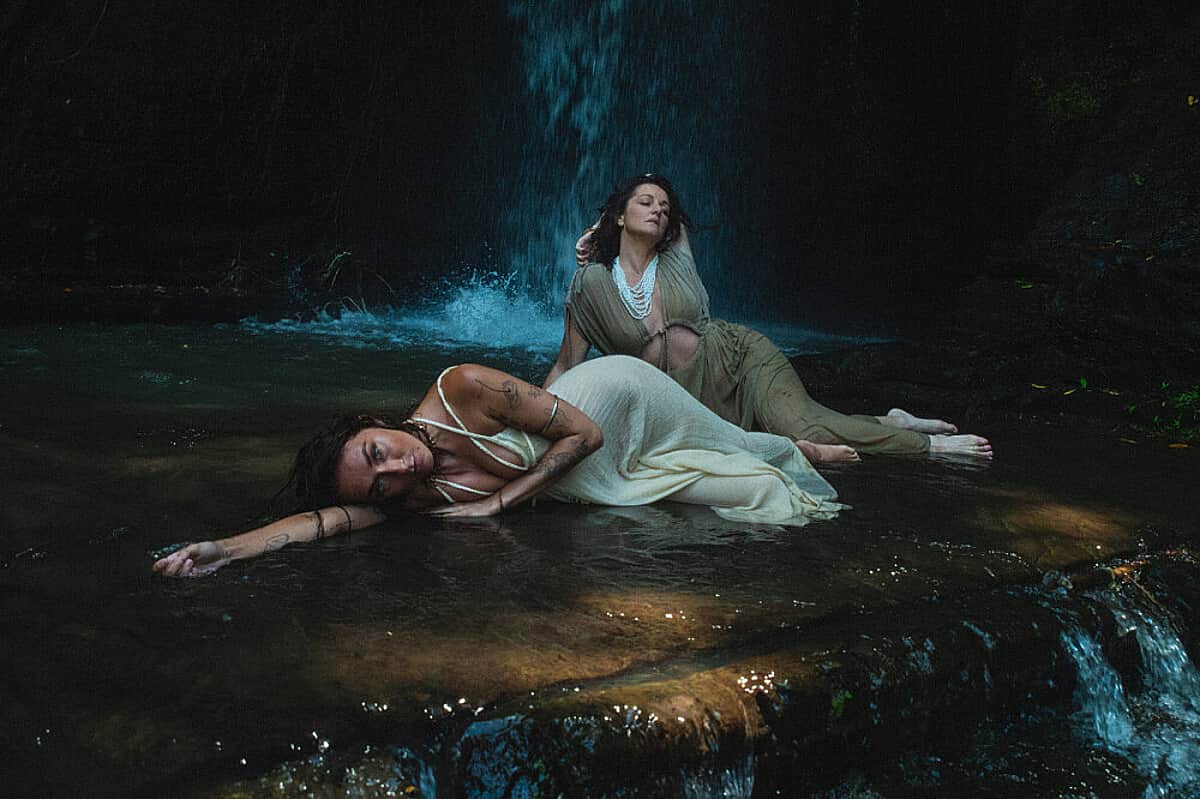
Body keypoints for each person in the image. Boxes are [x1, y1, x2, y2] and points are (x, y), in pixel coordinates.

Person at [153, 355, 844, 577]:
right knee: (756, 493)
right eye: (381, 482)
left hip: (620, 402)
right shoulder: (406, 492)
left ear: (369, 422)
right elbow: (320, 524)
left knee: (751, 451)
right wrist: (224, 551)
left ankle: (806, 443)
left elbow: (588, 431)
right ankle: (790, 449)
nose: (394, 466)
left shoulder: (461, 388)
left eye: (376, 450)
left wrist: (498, 505)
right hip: (596, 483)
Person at [544, 174, 993, 463]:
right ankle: (891, 421)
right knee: (800, 426)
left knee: (800, 427)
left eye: (663, 205)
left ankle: (928, 446)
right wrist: (535, 421)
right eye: (645, 202)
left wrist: (601, 227)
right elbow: (567, 366)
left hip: (740, 361)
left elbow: (671, 213)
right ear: (620, 215)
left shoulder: (676, 250)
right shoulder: (590, 286)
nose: (658, 210)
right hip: (688, 402)